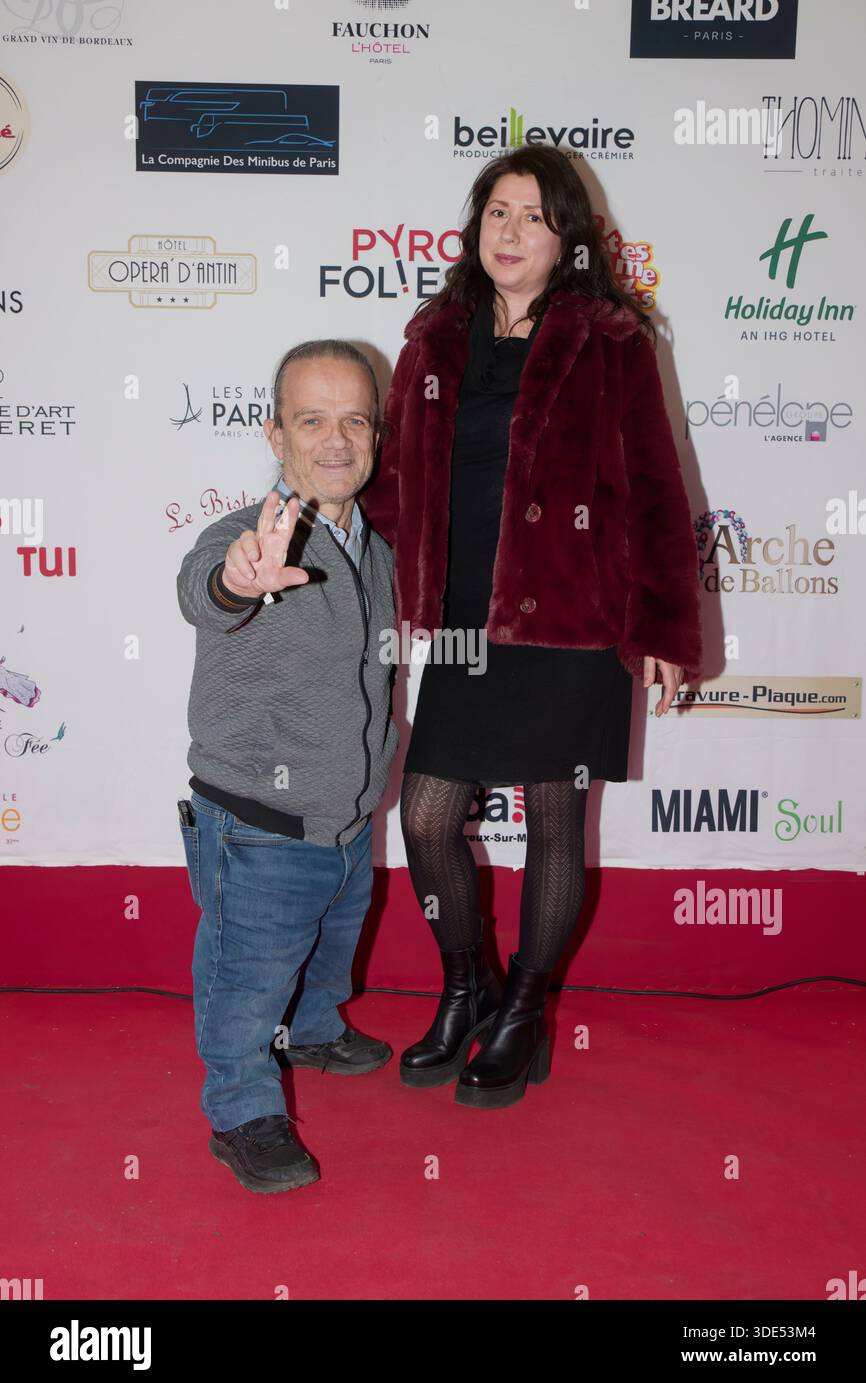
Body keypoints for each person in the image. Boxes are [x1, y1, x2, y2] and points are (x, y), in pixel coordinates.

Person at [362, 145, 702, 1110]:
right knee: (427, 815)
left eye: (534, 217)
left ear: (569, 239)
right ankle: (465, 985)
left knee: (556, 822)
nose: (510, 233)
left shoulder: (610, 339)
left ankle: (525, 1011)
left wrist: (665, 628)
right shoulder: (434, 337)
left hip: (574, 621)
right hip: (466, 622)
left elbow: (653, 490)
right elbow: (397, 489)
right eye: (496, 212)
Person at [176, 340, 399, 1192]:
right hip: (259, 827)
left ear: (376, 435)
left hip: (345, 819)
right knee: (247, 976)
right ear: (276, 435)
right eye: (312, 420)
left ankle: (313, 1029)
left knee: (328, 948)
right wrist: (240, 580)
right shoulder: (244, 536)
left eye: (355, 420)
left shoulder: (372, 548)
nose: (336, 440)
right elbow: (205, 589)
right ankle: (241, 1110)